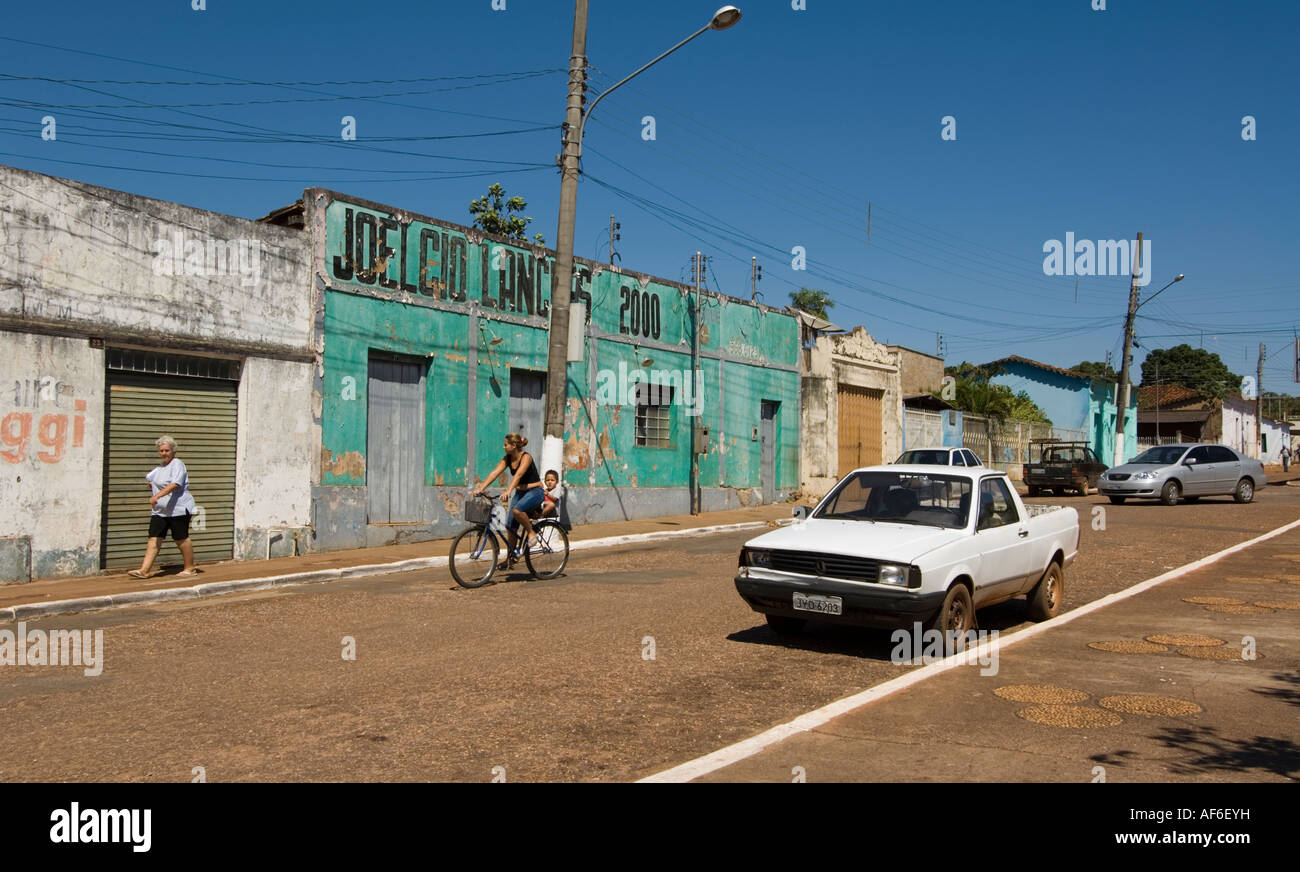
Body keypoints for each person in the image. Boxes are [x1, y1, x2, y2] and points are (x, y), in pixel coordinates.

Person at [128, 435, 198, 579]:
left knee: (181, 538)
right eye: (161, 451)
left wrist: (157, 496)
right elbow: (151, 478)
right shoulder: (160, 468)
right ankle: (144, 570)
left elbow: (175, 484)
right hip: (160, 511)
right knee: (154, 538)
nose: (164, 453)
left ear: (173, 451)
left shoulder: (178, 464)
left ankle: (190, 568)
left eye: (166, 450)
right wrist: (151, 485)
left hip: (178, 509)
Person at [472, 433, 545, 570]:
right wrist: (480, 488)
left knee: (517, 510)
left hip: (535, 492)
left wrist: (508, 491)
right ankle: (510, 559)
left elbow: (518, 475)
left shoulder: (526, 457)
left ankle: (530, 532)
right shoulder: (507, 459)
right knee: (511, 526)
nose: (503, 447)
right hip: (521, 492)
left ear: (514, 445)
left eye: (506, 445)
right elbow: (495, 473)